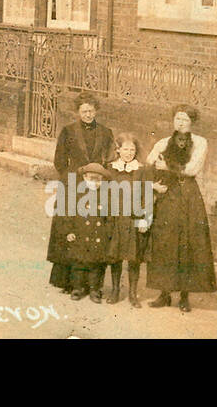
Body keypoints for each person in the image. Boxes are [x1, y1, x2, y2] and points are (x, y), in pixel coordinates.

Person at [144, 105, 217, 313]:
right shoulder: (163, 142)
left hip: (187, 195)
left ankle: (184, 295)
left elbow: (193, 169)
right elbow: (149, 162)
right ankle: (164, 293)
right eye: (177, 118)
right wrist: (157, 176)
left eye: (185, 119)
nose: (181, 122)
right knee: (164, 240)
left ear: (192, 122)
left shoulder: (200, 143)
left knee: (188, 241)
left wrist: (167, 167)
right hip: (167, 194)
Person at [47, 93, 114, 293]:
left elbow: (109, 158)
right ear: (78, 112)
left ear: (96, 111)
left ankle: (91, 283)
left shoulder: (105, 132)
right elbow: (59, 159)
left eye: (91, 111)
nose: (88, 114)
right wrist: (70, 178)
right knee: (69, 226)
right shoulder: (68, 131)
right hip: (73, 183)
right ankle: (69, 282)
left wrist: (99, 178)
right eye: (84, 111)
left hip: (96, 183)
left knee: (93, 228)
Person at [105, 133, 151, 306]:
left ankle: (133, 293)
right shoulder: (110, 168)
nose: (129, 153)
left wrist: (145, 220)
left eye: (132, 149)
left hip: (134, 218)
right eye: (125, 149)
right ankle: (115, 290)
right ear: (118, 150)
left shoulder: (142, 169)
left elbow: (147, 195)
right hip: (115, 219)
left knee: (134, 258)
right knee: (115, 256)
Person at [62, 162, 117, 302]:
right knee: (78, 263)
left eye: (98, 179)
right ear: (85, 178)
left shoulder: (105, 196)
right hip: (80, 233)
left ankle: (94, 289)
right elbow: (69, 214)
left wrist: (108, 234)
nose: (94, 182)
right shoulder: (78, 195)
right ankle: (77, 287)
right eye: (91, 178)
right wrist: (69, 231)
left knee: (96, 265)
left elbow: (109, 217)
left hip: (98, 235)